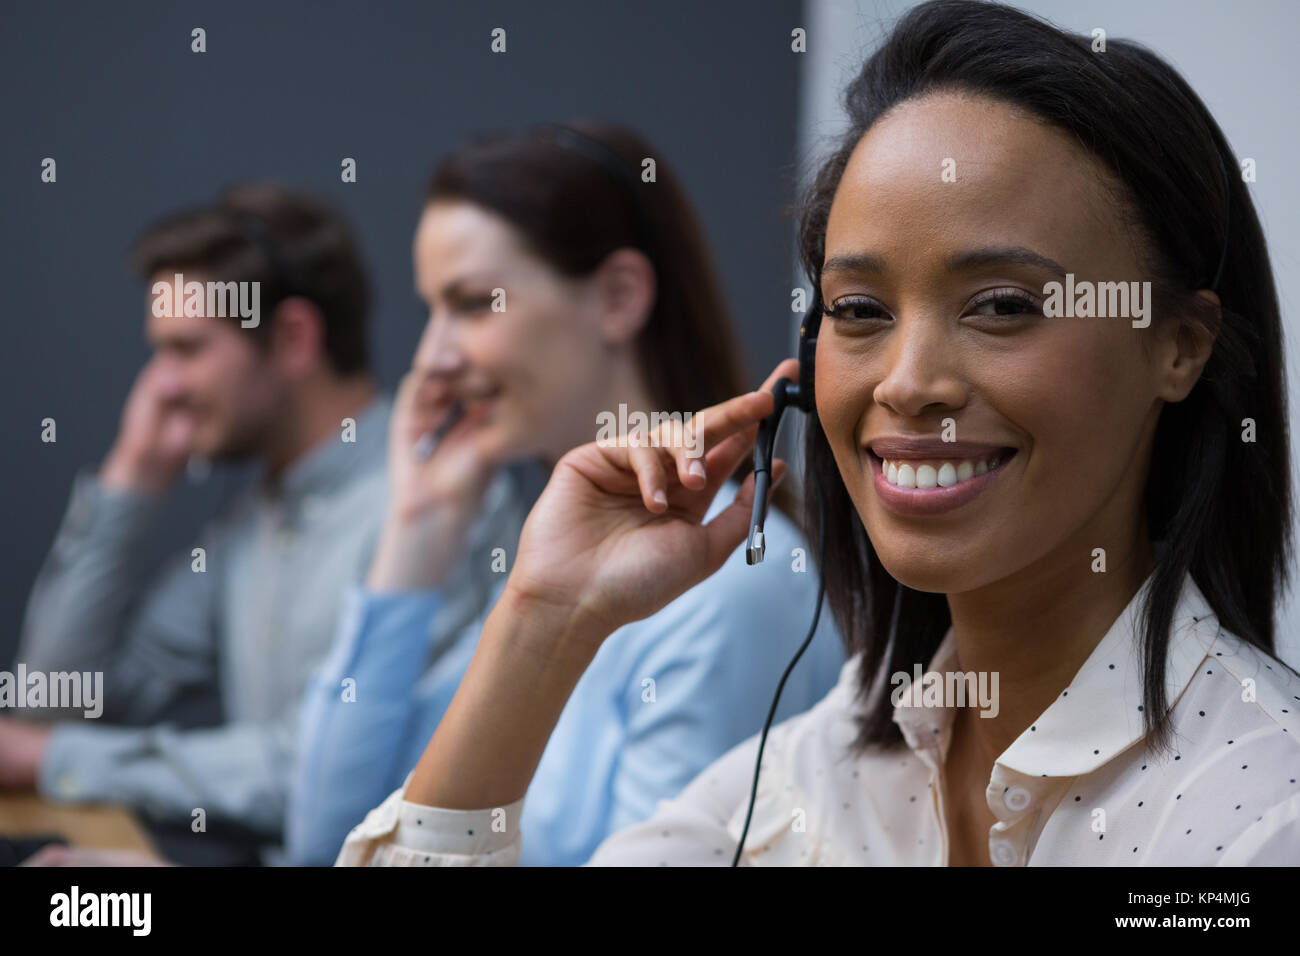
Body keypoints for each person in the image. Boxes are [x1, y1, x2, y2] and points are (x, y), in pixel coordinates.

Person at [335, 1, 1300, 867]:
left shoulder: (1257, 811)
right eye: (860, 309)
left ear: (1178, 348)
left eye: (1002, 305)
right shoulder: (827, 762)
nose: (910, 382)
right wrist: (544, 620)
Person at [287, 121, 845, 865]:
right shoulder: (557, 552)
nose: (432, 360)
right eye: (431, 310)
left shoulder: (731, 589)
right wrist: (417, 525)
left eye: (474, 304)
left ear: (617, 297)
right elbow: (332, 839)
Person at [4, 184, 389, 865]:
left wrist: (52, 758)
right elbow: (57, 699)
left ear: (294, 338)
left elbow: (322, 778)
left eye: (186, 348)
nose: (161, 385)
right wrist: (131, 481)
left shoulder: (431, 509)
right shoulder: (251, 524)